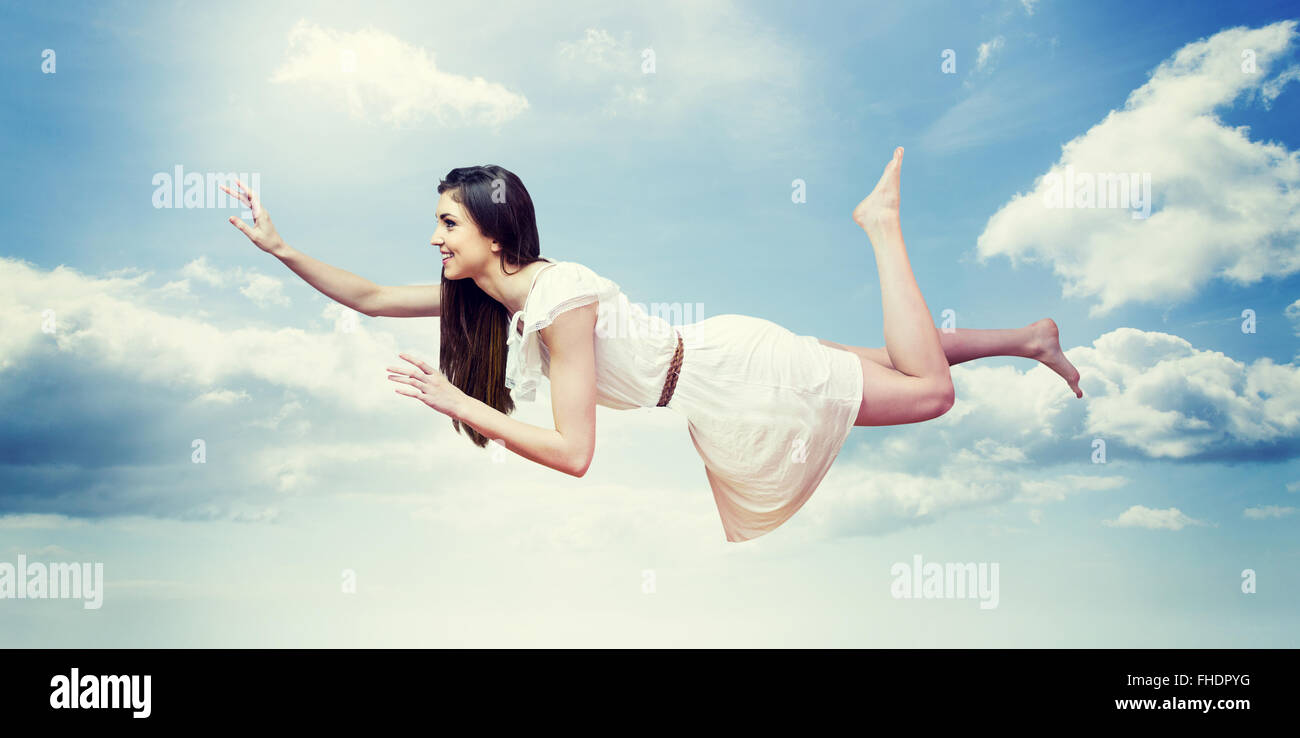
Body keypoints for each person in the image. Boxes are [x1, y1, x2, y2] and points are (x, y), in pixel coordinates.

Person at [221, 150, 1083, 543]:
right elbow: (371, 298)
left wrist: (460, 402)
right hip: (721, 363)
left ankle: (881, 228)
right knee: (902, 370)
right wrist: (284, 248)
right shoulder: (485, 292)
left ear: (491, 228)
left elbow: (574, 453)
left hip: (742, 382)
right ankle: (1024, 338)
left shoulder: (558, 303)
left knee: (928, 394)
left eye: (448, 223)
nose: (436, 239)